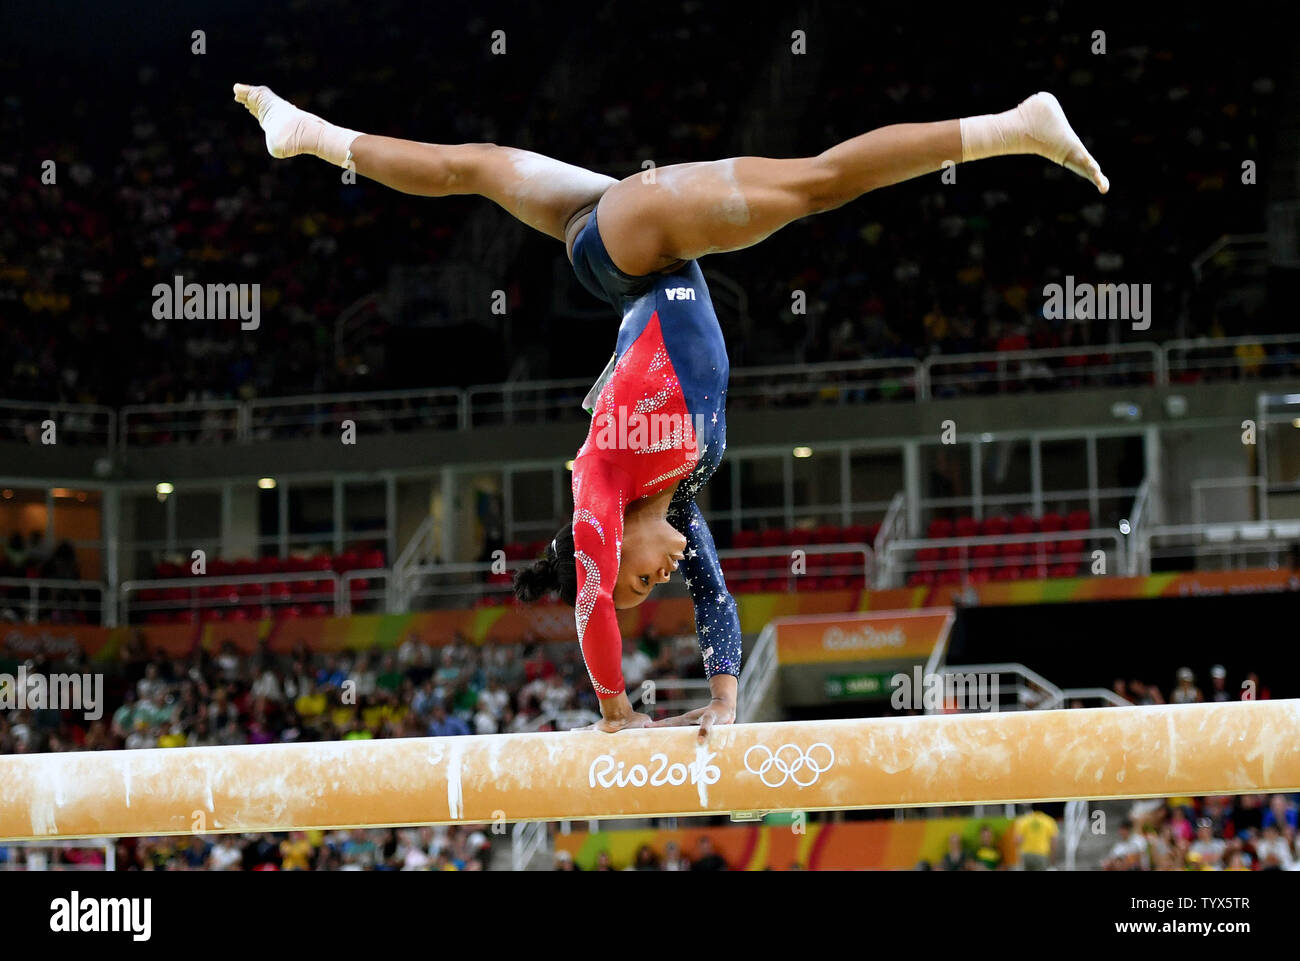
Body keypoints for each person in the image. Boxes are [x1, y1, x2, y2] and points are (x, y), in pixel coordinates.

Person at [235, 82, 1106, 735]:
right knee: (472, 166)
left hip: (634, 251)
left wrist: (615, 710)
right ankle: (311, 132)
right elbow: (716, 597)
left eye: (642, 576)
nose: (665, 570)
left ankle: (1014, 126)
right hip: (617, 246)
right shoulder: (680, 491)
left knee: (818, 184)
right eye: (659, 579)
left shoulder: (603, 485)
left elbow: (591, 603)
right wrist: (722, 705)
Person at [1012, 806, 1059, 871]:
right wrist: (1052, 860)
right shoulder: (1049, 820)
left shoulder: (1024, 820)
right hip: (1041, 853)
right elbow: (1053, 842)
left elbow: (1017, 840)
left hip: (1026, 853)